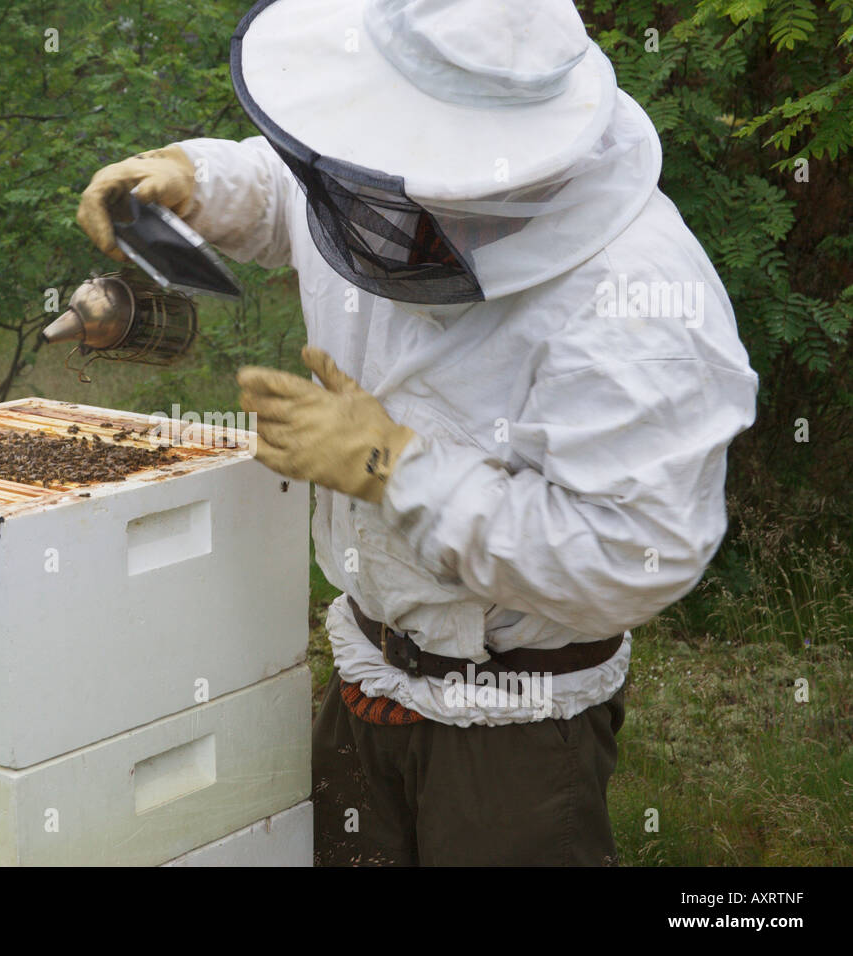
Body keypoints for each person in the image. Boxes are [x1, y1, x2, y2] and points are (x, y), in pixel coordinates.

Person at [77, 0, 758, 865]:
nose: (373, 189)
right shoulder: (383, 176)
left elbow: (628, 556)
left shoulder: (640, 303)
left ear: (481, 174)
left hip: (513, 725)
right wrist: (194, 179)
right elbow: (306, 189)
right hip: (367, 670)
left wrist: (390, 467)